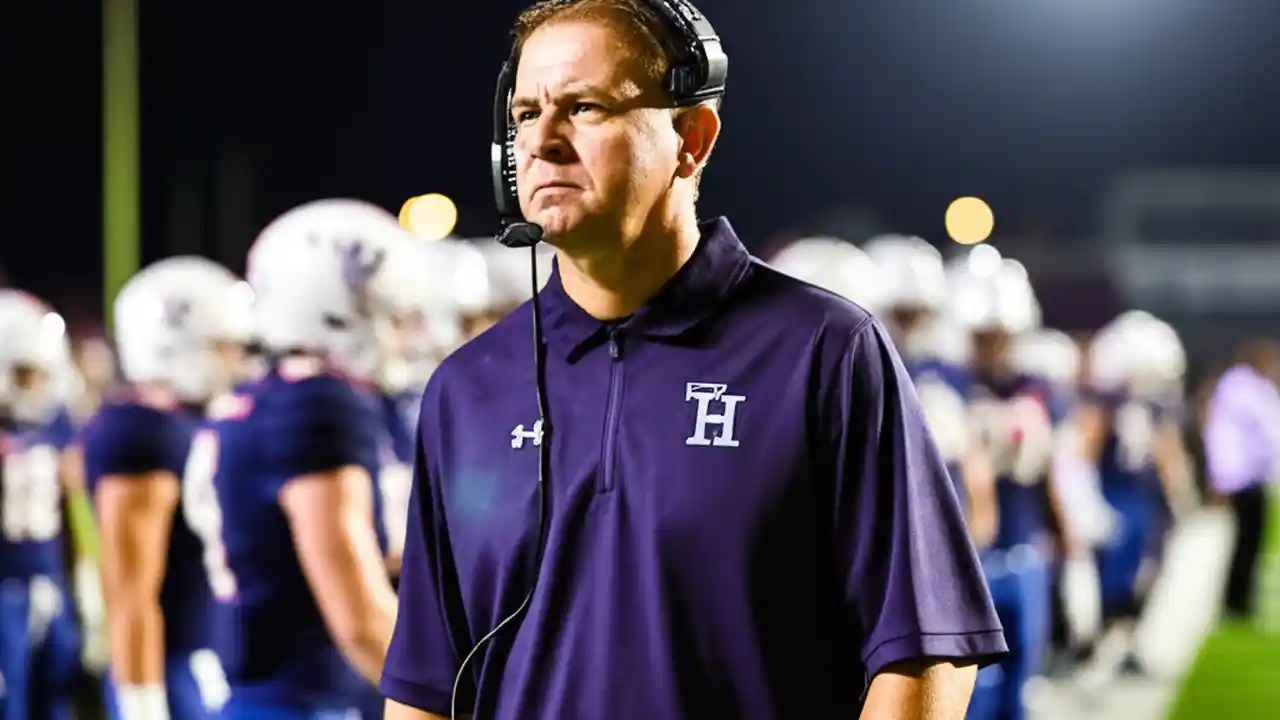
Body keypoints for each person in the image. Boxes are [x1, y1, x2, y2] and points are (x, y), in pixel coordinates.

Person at [380, 2, 1005, 718]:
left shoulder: (822, 352)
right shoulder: (466, 389)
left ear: (692, 138)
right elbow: (424, 689)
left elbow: (926, 654)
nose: (541, 142)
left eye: (583, 107)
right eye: (523, 114)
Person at [207, 199, 403, 719]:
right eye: (379, 311)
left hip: (265, 691)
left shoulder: (265, 397)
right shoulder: (320, 403)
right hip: (305, 697)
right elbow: (359, 617)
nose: (397, 332)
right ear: (334, 310)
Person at [81, 257, 251, 720]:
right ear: (175, 344)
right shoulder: (141, 430)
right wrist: (142, 704)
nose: (235, 362)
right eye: (222, 348)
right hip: (173, 666)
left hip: (203, 655)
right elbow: (131, 591)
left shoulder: (183, 423)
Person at [0, 290, 82, 720]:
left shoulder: (55, 420)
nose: (38, 386)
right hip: (4, 581)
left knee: (57, 687)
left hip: (47, 576)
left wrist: (83, 570)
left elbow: (74, 496)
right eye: (26, 373)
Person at [1203, 338, 1280, 619]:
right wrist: (1221, 475)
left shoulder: (1258, 388)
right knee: (1243, 542)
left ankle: (1241, 599)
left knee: (1252, 541)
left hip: (1253, 476)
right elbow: (1224, 437)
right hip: (1240, 477)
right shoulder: (1239, 388)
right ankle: (1235, 601)